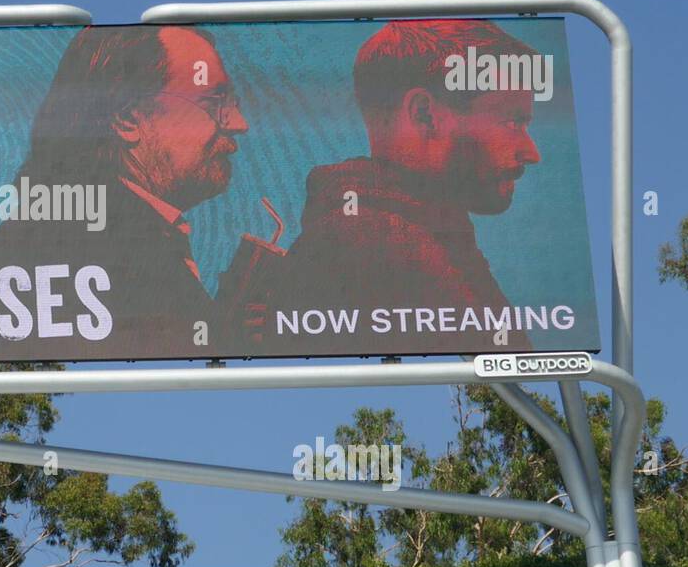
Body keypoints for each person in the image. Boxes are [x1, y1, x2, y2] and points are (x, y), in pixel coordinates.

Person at [231, 19, 543, 355]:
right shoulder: (390, 247)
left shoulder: (431, 235)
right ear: (423, 115)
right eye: (512, 122)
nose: (532, 152)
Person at [0, 24, 249, 361]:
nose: (238, 123)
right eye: (213, 103)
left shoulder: (81, 232)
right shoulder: (75, 247)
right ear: (128, 119)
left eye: (232, 103)